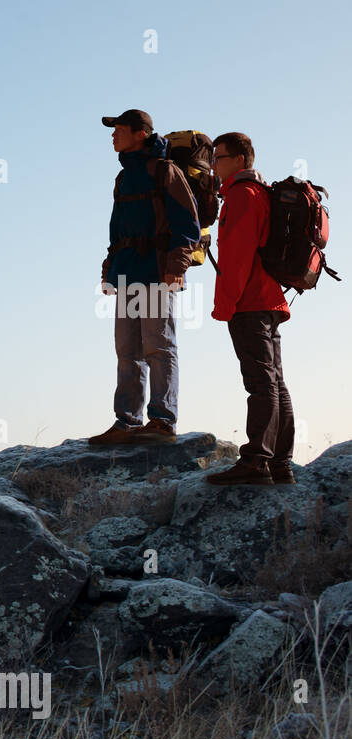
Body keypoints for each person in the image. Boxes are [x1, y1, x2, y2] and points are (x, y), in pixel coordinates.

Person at [89, 109, 201, 446]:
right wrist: (110, 266)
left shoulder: (164, 170)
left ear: (140, 133)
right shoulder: (123, 178)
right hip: (128, 272)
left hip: (158, 271)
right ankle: (126, 422)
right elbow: (118, 229)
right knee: (127, 349)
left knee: (159, 346)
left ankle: (163, 421)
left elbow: (188, 224)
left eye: (118, 129)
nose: (112, 136)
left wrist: (176, 266)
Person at [204, 132, 294, 486]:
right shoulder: (258, 193)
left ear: (240, 160)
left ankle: (257, 460)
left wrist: (224, 306)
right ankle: (280, 463)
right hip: (268, 301)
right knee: (275, 382)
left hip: (250, 303)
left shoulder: (242, 195)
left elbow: (238, 258)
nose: (213, 164)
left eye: (218, 157)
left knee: (260, 383)